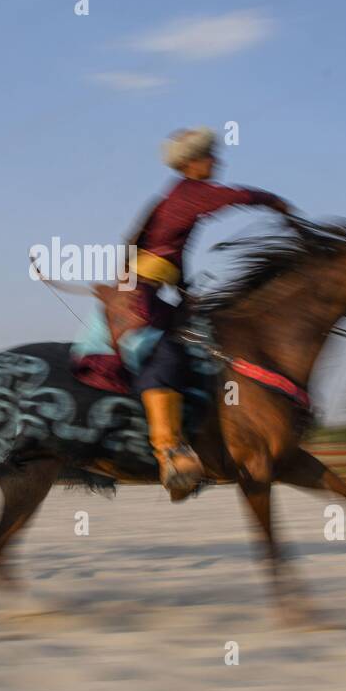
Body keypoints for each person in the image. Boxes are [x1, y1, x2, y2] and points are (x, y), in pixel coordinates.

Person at [123, 127, 291, 499]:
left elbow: (168, 255)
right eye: (208, 156)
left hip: (152, 289)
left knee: (205, 342)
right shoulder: (189, 193)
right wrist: (272, 201)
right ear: (187, 164)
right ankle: (167, 453)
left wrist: (184, 291)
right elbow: (234, 196)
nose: (216, 161)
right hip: (139, 294)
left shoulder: (176, 199)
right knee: (166, 354)